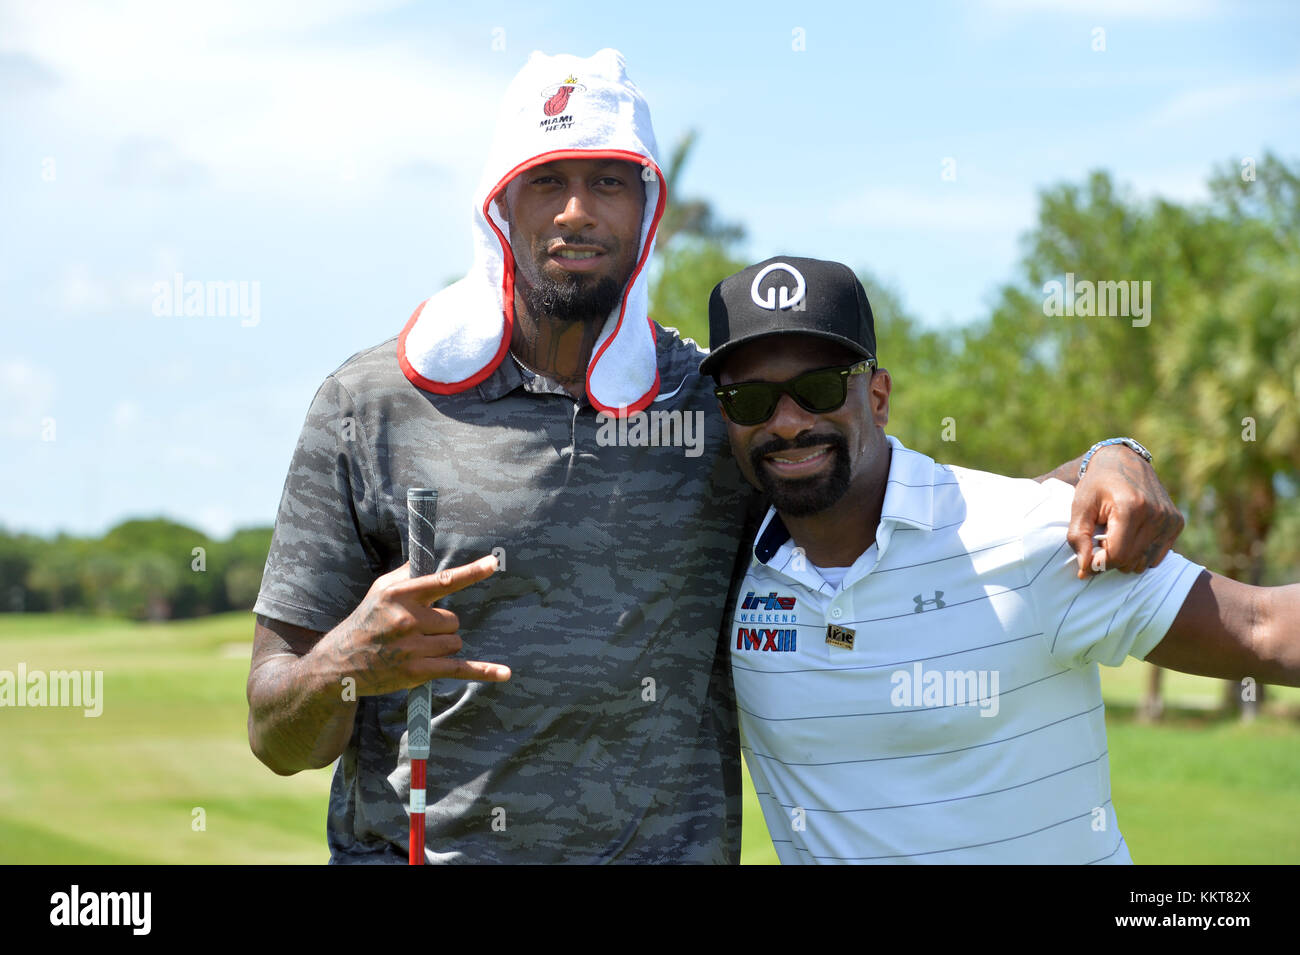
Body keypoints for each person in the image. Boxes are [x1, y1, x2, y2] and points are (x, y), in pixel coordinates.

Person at [245, 50, 1184, 864]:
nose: (578, 211)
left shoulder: (719, 405)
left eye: (609, 180)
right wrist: (344, 664)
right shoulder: (369, 404)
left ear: (648, 206)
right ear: (501, 205)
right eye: (548, 179)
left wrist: (1112, 453)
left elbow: (914, 503)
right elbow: (274, 729)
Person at [704, 255, 1299, 864]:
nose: (787, 422)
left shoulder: (1030, 538)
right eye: (750, 400)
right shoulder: (721, 564)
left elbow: (1263, 627)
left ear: (877, 396)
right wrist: (1108, 453)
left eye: (819, 388)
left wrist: (1114, 454)